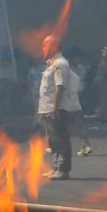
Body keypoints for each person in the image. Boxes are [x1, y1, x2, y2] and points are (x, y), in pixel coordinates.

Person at [37, 35, 76, 180]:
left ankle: (63, 169)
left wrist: (55, 108)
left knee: (61, 139)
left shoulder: (60, 63)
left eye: (45, 45)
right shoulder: (51, 64)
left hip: (57, 109)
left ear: (54, 46)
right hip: (48, 108)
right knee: (53, 141)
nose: (43, 48)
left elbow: (60, 87)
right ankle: (56, 168)